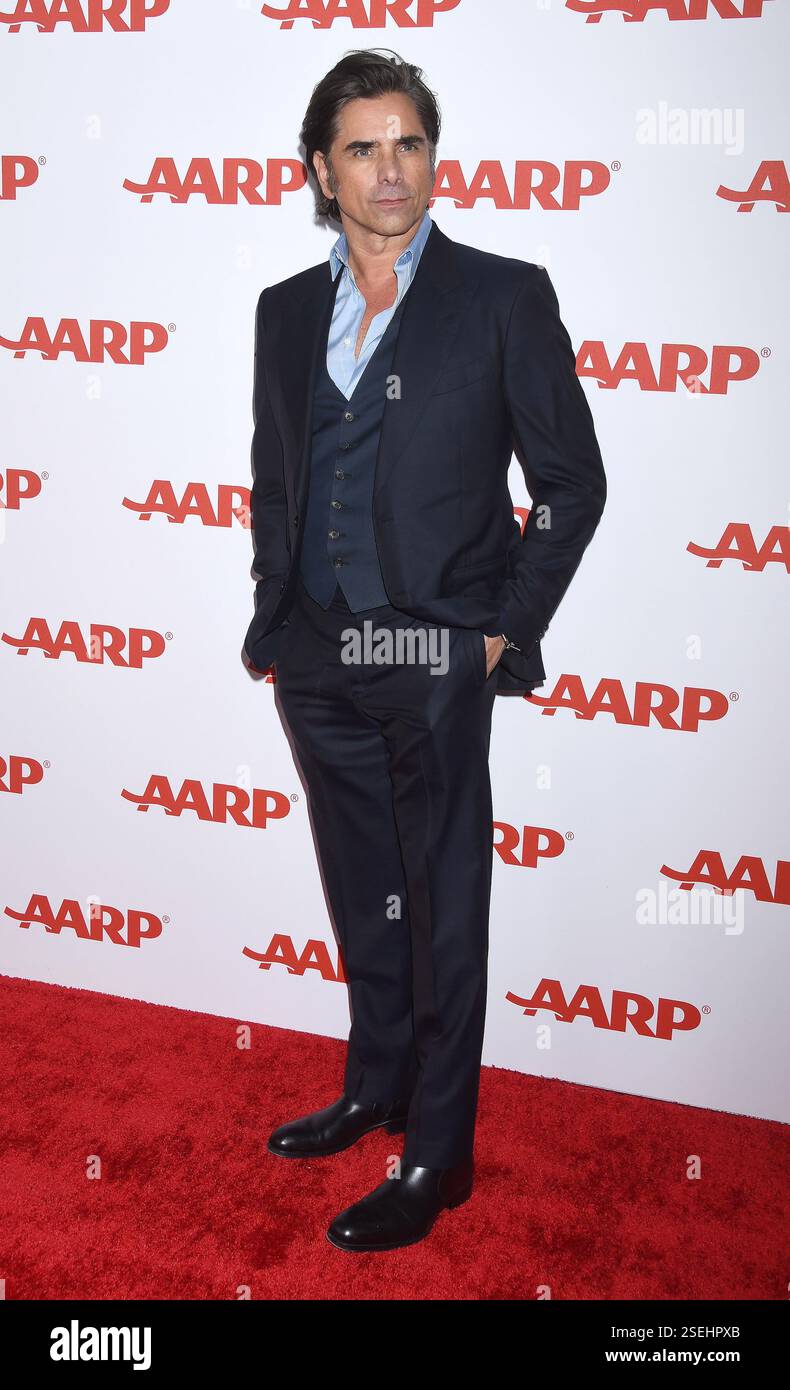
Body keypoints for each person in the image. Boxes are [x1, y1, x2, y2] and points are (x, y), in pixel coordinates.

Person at [243, 48, 606, 1253]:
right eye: (362, 146)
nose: (389, 168)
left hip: (436, 652)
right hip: (318, 657)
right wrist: (273, 603)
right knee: (365, 892)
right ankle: (375, 1087)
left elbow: (568, 483)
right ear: (321, 170)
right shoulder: (286, 311)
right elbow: (278, 479)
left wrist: (503, 627)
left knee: (444, 907)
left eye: (409, 142)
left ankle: (437, 1154)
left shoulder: (502, 296)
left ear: (432, 158)